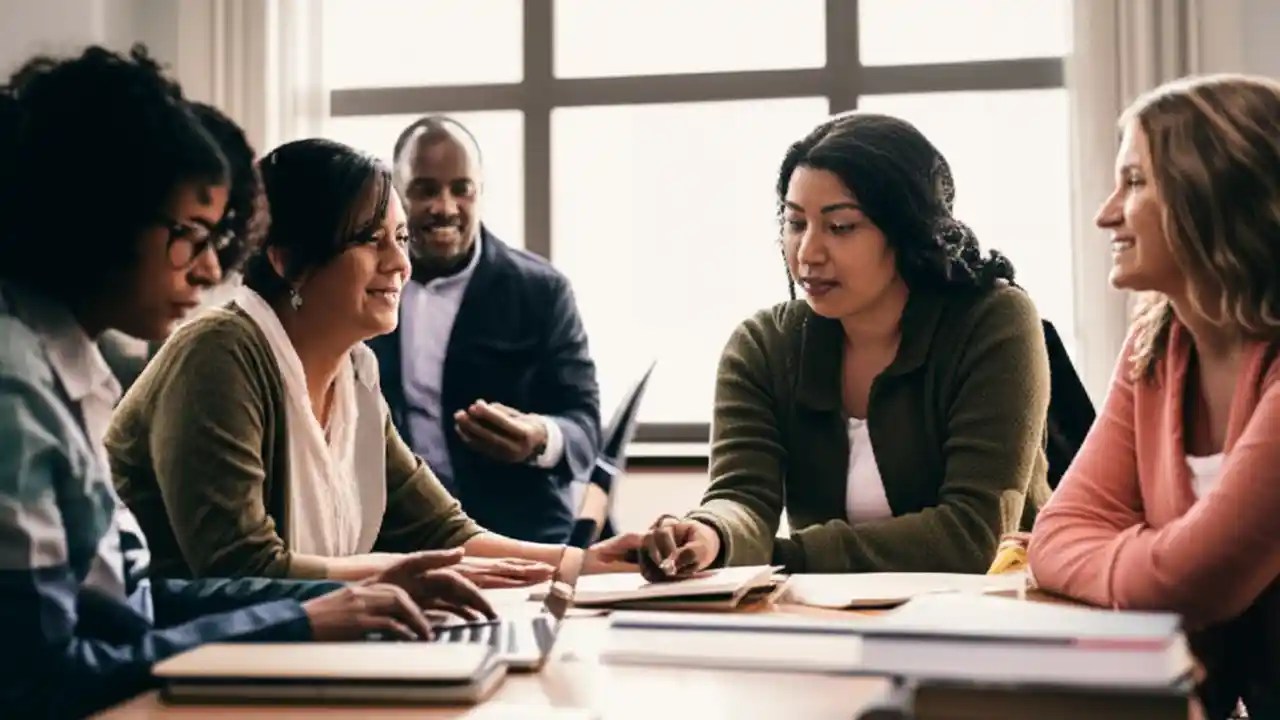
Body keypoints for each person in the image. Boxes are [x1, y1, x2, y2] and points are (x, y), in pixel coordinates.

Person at [0, 46, 490, 719]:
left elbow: (139, 601)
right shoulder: (16, 395)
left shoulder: (65, 372)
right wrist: (302, 619)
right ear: (98, 217)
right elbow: (41, 684)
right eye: (188, 236)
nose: (206, 271)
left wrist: (332, 599)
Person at [108, 137, 632, 588]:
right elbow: (240, 567)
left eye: (400, 239)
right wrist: (409, 574)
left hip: (277, 653)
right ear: (288, 260)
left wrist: (579, 564)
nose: (401, 263)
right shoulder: (219, 354)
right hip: (169, 668)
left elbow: (444, 532)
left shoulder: (355, 371)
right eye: (370, 240)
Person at [634, 113, 1053, 579]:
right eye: (795, 223)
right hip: (831, 618)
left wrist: (783, 558)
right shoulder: (763, 346)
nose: (807, 252)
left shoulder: (993, 320)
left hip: (997, 616)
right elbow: (742, 498)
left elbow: (973, 536)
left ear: (907, 230)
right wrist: (712, 535)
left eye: (841, 227)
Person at [1028, 74, 1280, 720]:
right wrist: (1165, 567)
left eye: (1135, 182)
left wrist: (1164, 571)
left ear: (1213, 194)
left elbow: (1198, 578)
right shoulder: (1157, 346)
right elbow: (1055, 536)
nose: (1106, 212)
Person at [368, 116, 601, 544]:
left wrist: (539, 438)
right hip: (399, 540)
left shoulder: (541, 290)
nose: (445, 207)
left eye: (461, 188)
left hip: (521, 535)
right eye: (424, 189)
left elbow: (585, 429)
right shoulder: (364, 286)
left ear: (480, 193)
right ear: (395, 195)